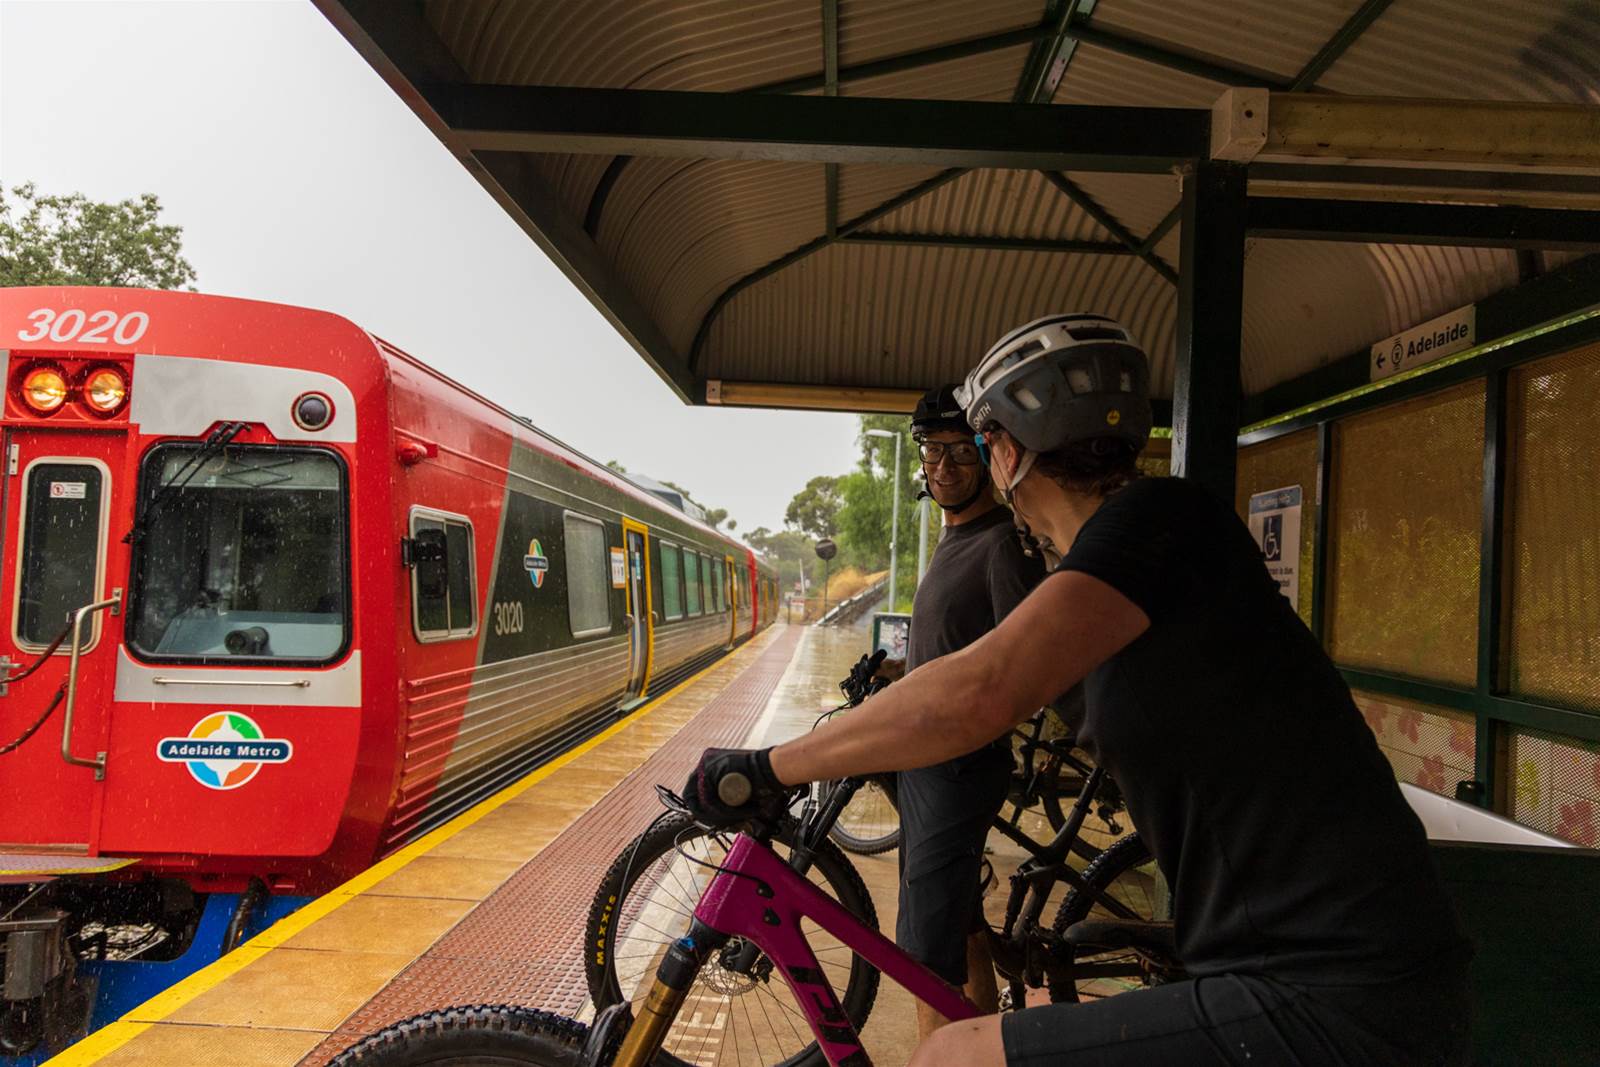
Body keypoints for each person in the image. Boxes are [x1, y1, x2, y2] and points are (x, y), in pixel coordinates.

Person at [684, 313, 1472, 1066]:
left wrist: (770, 764)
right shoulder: (1131, 553)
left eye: (979, 442)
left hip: (1331, 989)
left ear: (1003, 450)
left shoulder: (1156, 520)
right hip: (1294, 967)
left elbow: (978, 688)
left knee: (953, 1054)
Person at [883, 384, 1045, 1040]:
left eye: (956, 450)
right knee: (961, 923)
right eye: (930, 452)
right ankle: (981, 1036)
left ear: (984, 453)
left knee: (924, 957)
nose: (942, 466)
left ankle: (950, 1055)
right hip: (931, 765)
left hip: (956, 770)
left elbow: (1023, 663)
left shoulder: (1002, 545)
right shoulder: (956, 540)